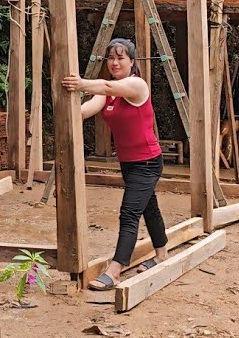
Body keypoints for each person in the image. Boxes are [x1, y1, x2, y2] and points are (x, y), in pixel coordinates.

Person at [62, 37, 169, 290]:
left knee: (129, 213)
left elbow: (108, 87)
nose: (115, 62)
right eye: (111, 58)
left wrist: (80, 84)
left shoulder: (136, 85)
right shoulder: (106, 95)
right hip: (129, 163)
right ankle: (162, 253)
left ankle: (115, 270)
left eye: (121, 58)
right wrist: (67, 111)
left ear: (132, 62)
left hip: (147, 162)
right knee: (148, 208)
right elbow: (88, 108)